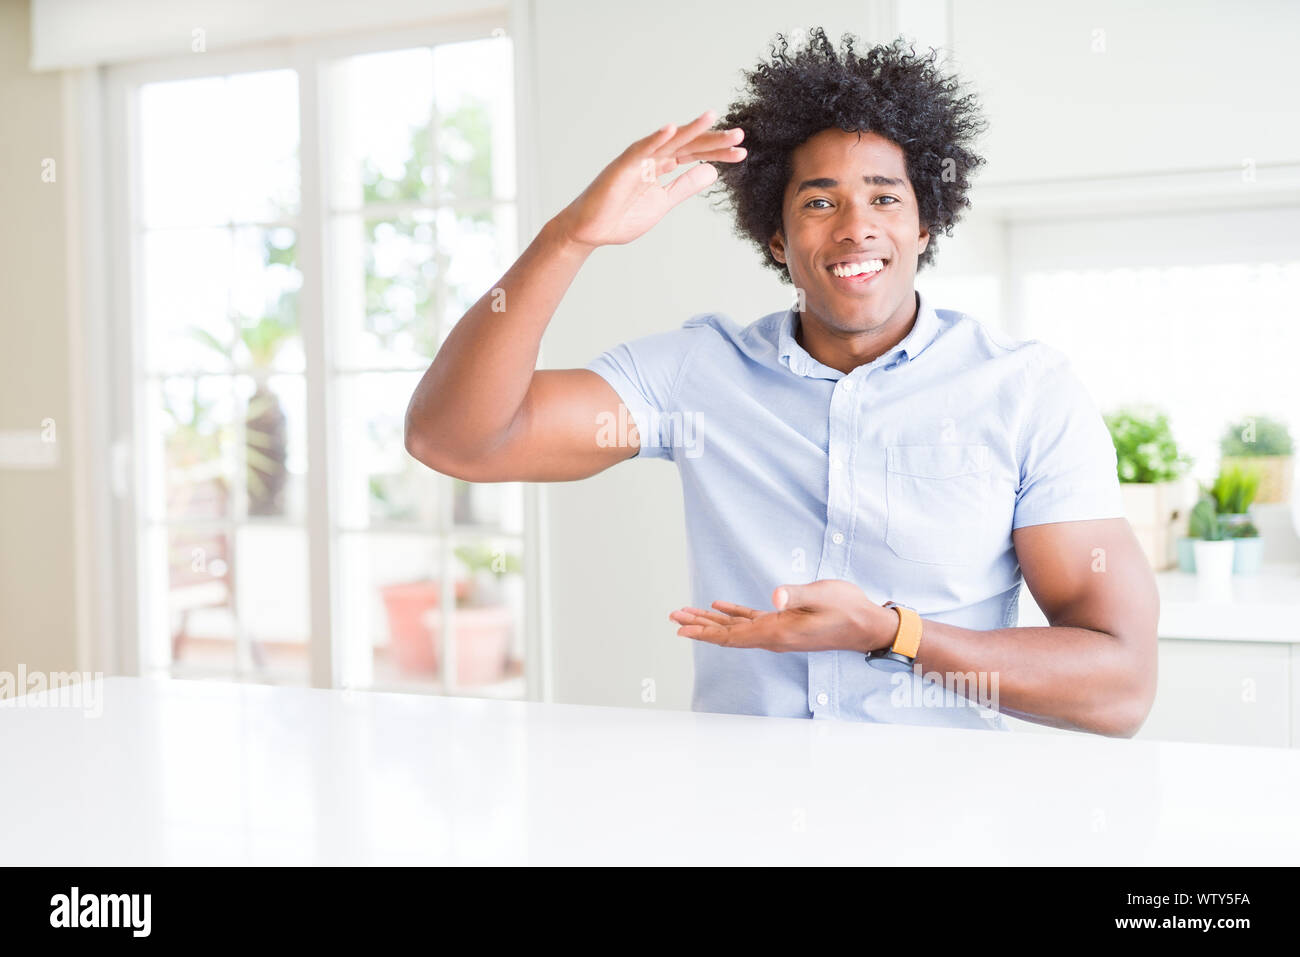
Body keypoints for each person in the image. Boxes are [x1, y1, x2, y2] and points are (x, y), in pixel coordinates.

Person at [405, 28, 1158, 735]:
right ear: (777, 239)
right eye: (820, 201)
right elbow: (456, 437)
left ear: (925, 227)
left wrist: (893, 633)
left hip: (943, 820)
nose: (856, 226)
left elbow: (1119, 682)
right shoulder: (699, 373)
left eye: (885, 198)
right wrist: (569, 237)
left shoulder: (1025, 391)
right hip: (739, 815)